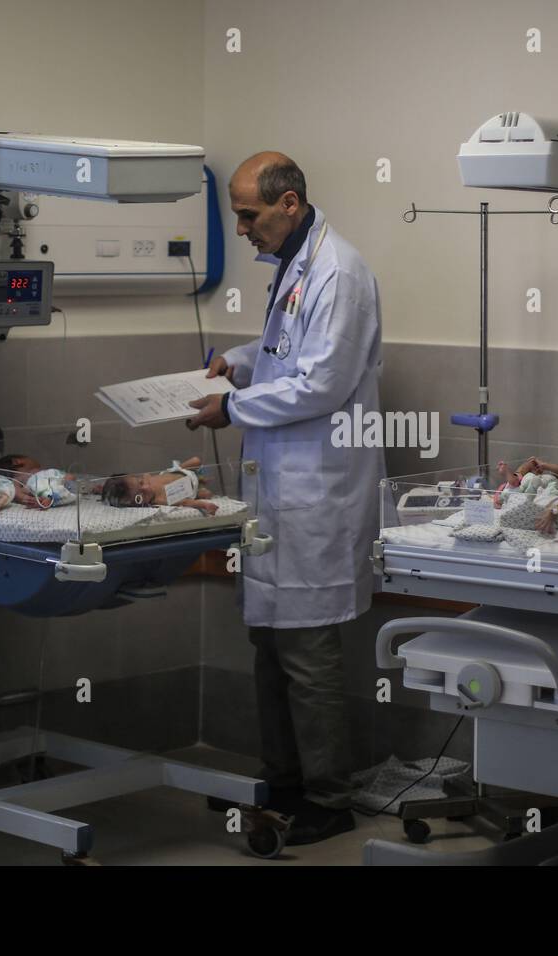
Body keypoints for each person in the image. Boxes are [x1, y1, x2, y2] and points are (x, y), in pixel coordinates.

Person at [186, 152, 384, 844]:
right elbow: (290, 355)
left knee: (305, 651)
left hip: (316, 492)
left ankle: (328, 798)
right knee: (268, 642)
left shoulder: (340, 272)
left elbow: (323, 384)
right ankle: (284, 781)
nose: (241, 229)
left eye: (248, 215)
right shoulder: (298, 266)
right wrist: (239, 362)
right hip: (279, 491)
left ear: (290, 204)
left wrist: (233, 408)